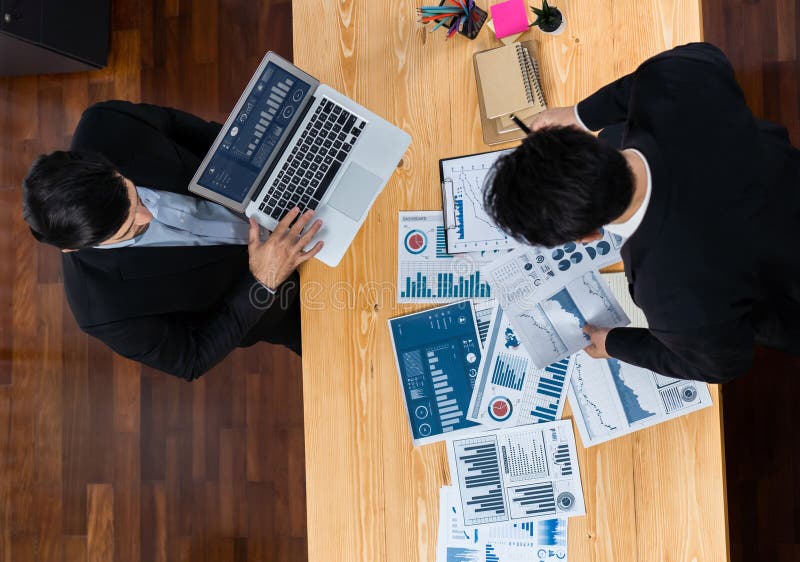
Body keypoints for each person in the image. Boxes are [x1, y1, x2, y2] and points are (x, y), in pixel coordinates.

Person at [484, 42, 800, 383]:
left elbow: (721, 365)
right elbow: (704, 57)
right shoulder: (672, 84)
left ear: (586, 236)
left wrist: (615, 343)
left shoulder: (670, 291)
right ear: (581, 140)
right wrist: (579, 113)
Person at [22, 100, 324, 381]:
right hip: (285, 306)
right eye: (128, 228)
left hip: (295, 198)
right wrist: (262, 281)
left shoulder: (105, 123)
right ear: (73, 248)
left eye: (135, 196)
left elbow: (179, 127)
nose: (147, 216)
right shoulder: (102, 312)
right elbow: (193, 358)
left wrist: (257, 166)